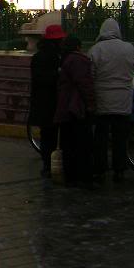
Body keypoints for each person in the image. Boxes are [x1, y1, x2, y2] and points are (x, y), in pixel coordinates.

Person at [88, 18, 134, 183]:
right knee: (120, 137)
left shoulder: (96, 50)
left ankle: (100, 169)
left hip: (103, 100)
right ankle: (120, 169)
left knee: (101, 137)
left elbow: (91, 74)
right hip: (124, 99)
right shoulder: (130, 49)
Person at [54, 35, 96, 187]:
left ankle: (70, 176)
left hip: (64, 107)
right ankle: (84, 177)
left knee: (68, 144)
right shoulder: (78, 60)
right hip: (76, 108)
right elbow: (84, 84)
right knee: (83, 144)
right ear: (78, 46)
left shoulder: (63, 59)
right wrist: (91, 103)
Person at [29, 24, 66, 178]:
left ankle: (47, 165)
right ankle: (52, 164)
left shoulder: (38, 56)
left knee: (47, 135)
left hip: (42, 101)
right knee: (55, 134)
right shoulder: (57, 57)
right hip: (53, 100)